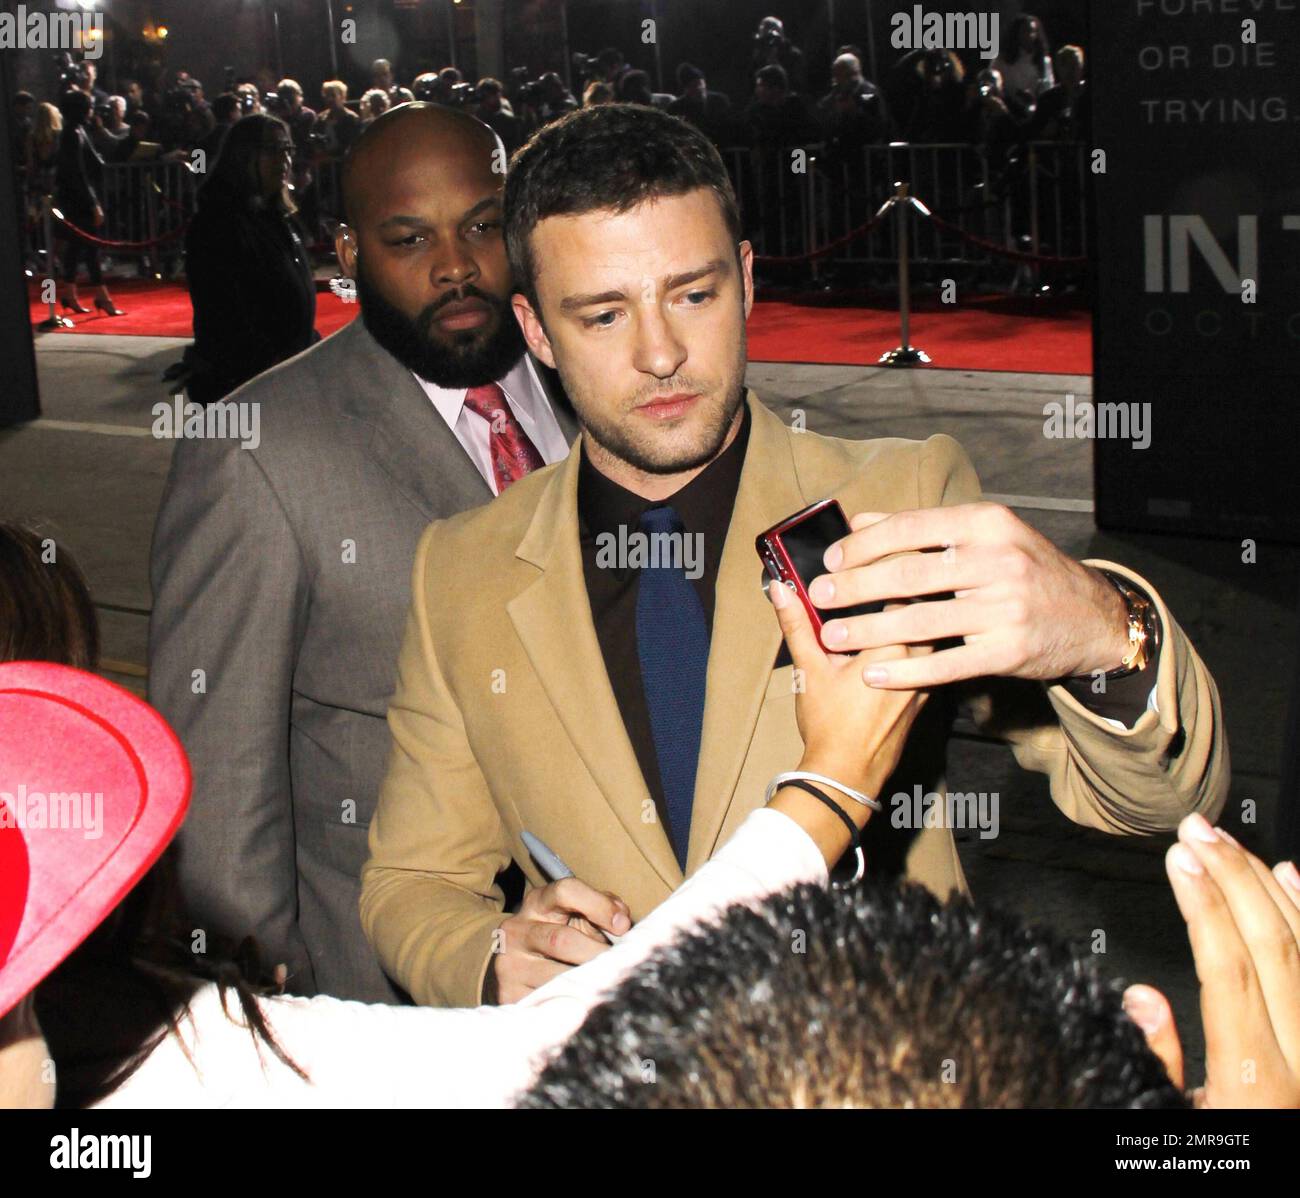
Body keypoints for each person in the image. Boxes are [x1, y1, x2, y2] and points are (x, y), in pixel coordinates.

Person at [360, 103, 1227, 1011]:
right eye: (604, 315)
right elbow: (411, 882)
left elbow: (1158, 804)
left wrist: (1105, 632)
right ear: (536, 332)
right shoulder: (461, 570)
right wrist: (489, 954)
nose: (660, 355)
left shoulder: (901, 499)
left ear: (745, 279)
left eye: (692, 295)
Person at [149, 103, 577, 1005]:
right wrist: (291, 1031)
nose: (456, 265)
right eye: (408, 238)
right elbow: (222, 801)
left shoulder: (597, 384)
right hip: (390, 1006)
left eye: (483, 226)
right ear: (347, 254)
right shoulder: (257, 452)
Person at [182, 114, 317, 405]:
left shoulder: (276, 216)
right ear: (244, 155)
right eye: (273, 149)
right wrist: (272, 363)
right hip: (245, 385)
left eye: (288, 150)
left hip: (285, 375)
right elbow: (224, 312)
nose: (285, 160)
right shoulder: (218, 223)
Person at [54, 89, 124, 317]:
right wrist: (93, 203)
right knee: (91, 246)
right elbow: (78, 172)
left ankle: (69, 293)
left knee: (77, 247)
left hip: (76, 197)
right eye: (90, 107)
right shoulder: (72, 134)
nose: (93, 110)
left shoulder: (77, 131)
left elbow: (94, 163)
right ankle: (102, 297)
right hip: (78, 200)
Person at [992, 12, 1056, 120]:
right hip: (1007, 115)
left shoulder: (1044, 62)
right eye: (1025, 31)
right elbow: (993, 85)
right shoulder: (1002, 60)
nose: (1029, 35)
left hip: (1036, 116)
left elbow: (1049, 88)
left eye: (1032, 31)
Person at [667, 63, 733, 148]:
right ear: (685, 89)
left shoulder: (719, 101)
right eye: (693, 86)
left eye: (700, 83)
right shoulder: (676, 108)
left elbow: (729, 128)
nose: (698, 88)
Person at [316, 79, 361, 159]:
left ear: (342, 96)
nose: (330, 99)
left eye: (333, 95)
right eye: (327, 95)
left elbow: (353, 144)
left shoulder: (351, 119)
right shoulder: (320, 118)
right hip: (326, 165)